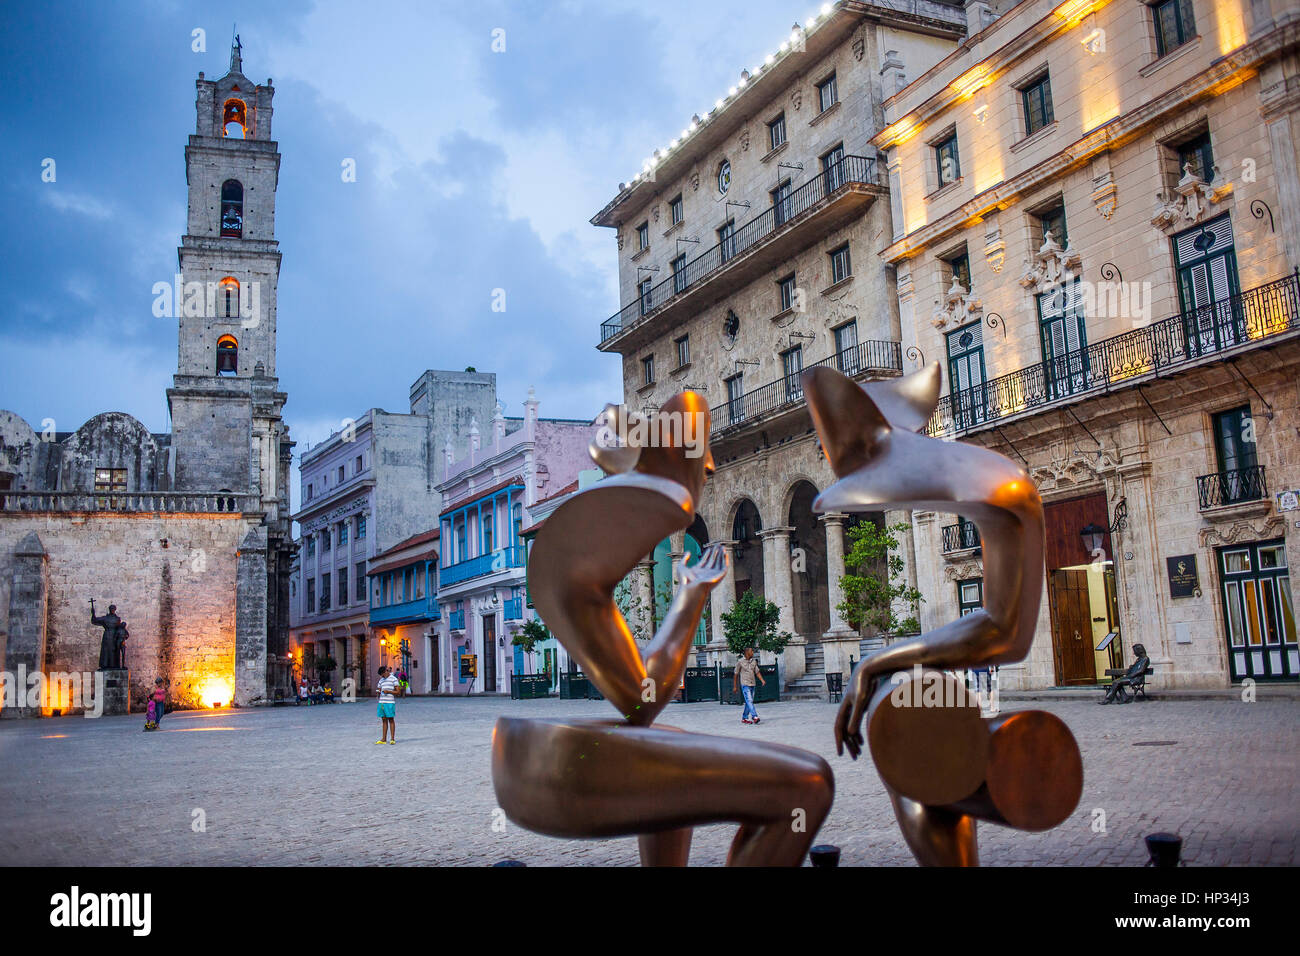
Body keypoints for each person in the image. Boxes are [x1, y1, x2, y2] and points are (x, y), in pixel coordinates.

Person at [733, 646, 765, 725]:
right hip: (745, 684)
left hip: (752, 684)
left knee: (749, 702)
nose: (753, 653)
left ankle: (744, 718)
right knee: (749, 700)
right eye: (751, 651)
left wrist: (762, 680)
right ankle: (755, 716)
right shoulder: (740, 662)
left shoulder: (754, 661)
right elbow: (736, 674)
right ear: (747, 652)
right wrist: (735, 686)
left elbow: (757, 672)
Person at [376, 666, 400, 744]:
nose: (382, 676)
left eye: (382, 674)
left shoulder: (394, 679)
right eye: (381, 675)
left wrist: (389, 692)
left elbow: (398, 692)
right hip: (382, 702)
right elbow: (379, 689)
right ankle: (384, 739)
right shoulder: (381, 680)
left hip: (390, 702)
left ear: (386, 671)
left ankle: (392, 739)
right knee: (383, 720)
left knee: (391, 719)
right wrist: (378, 692)